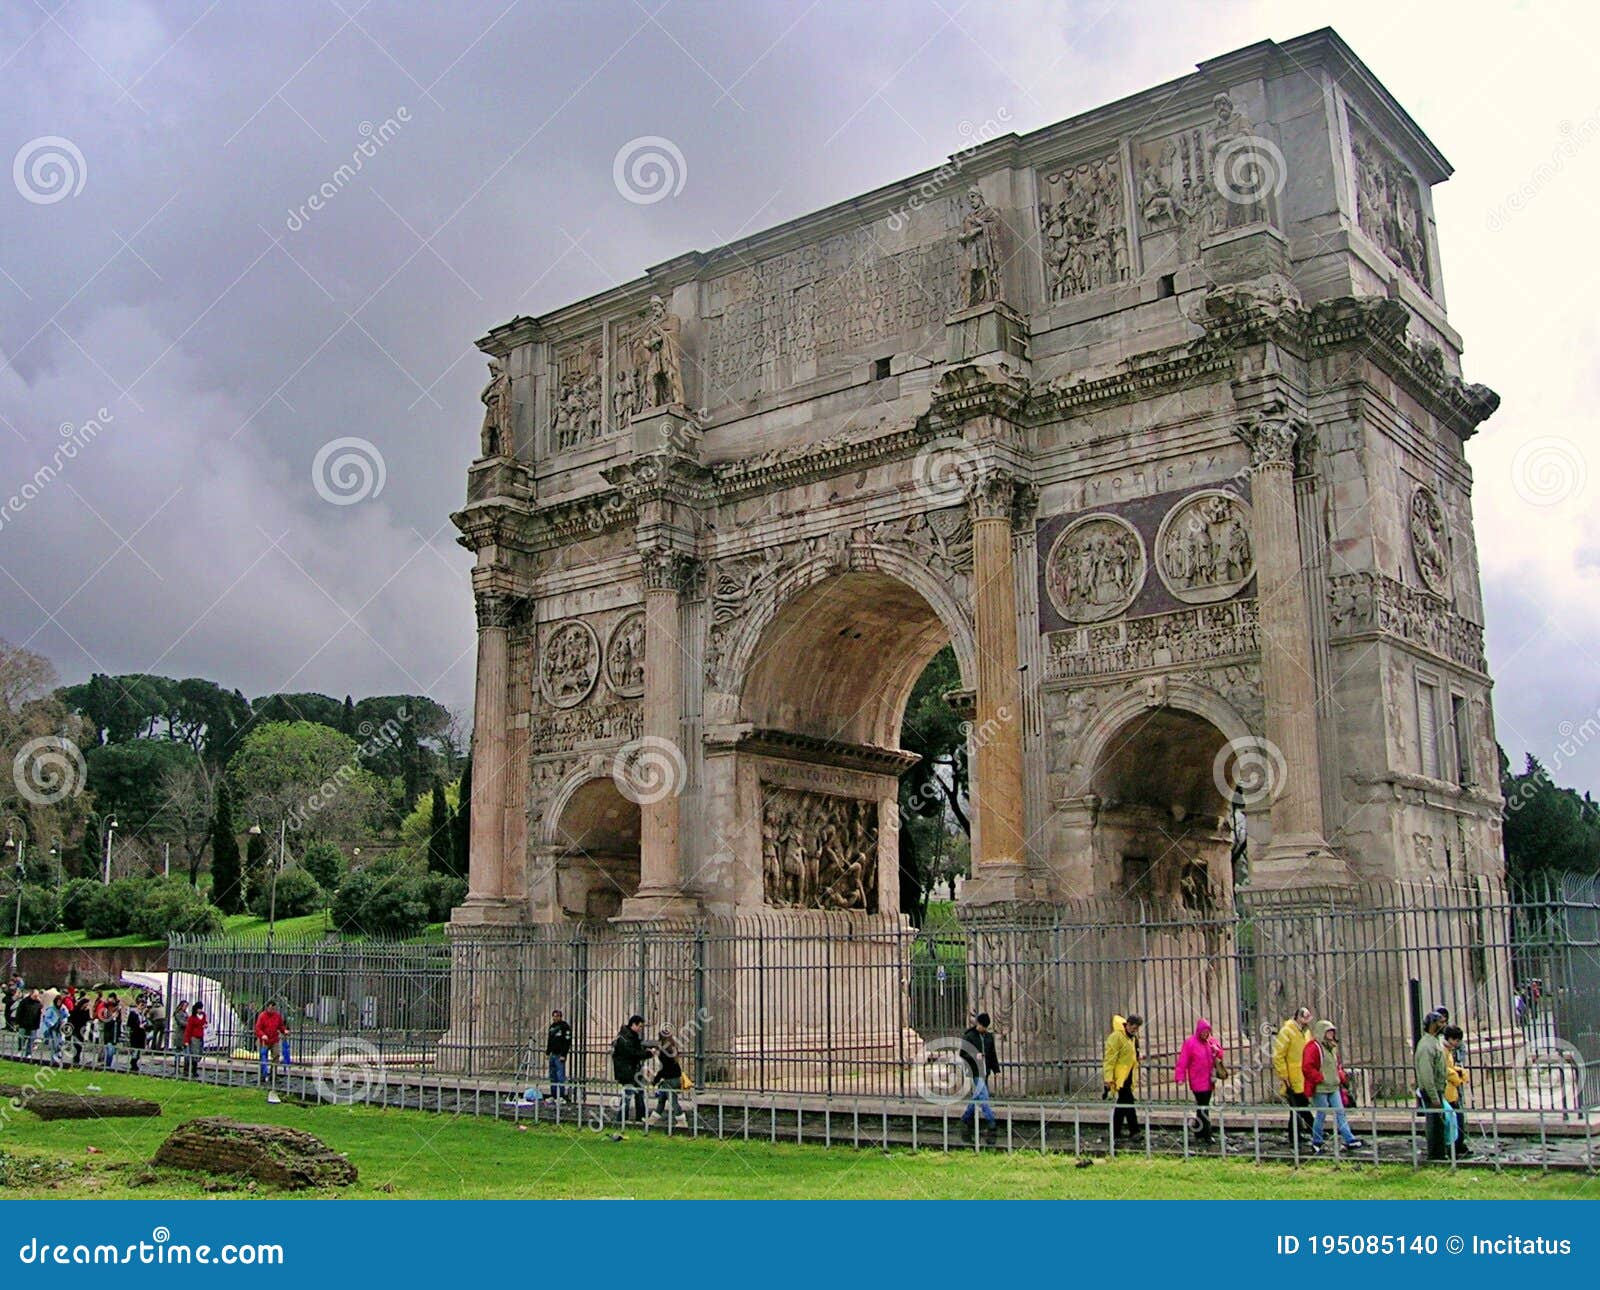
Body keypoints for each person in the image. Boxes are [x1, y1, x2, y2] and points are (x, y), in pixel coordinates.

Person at [1302, 1020, 1363, 1155]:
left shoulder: (1332, 1046)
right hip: (1321, 1088)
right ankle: (1316, 1142)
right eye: (1328, 1031)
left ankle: (1349, 1138)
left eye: (1332, 1032)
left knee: (1340, 1112)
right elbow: (1307, 1067)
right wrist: (1320, 1078)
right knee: (1321, 1114)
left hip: (1333, 1086)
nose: (1331, 1034)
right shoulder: (1313, 1047)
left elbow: (1336, 1065)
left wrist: (1340, 1078)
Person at [1174, 1017, 1225, 1145]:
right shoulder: (1190, 1043)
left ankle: (1198, 1130)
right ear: (1198, 1031)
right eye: (1203, 1032)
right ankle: (1207, 1134)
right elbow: (1183, 1061)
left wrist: (1216, 1051)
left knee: (1202, 1106)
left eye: (1207, 1032)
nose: (1205, 1034)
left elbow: (1220, 1054)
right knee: (1204, 1107)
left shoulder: (1211, 1041)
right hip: (1197, 1079)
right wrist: (1180, 1077)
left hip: (1209, 1079)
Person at [1272, 1007, 1314, 1145]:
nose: (1306, 1022)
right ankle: (1314, 1131)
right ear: (1298, 1017)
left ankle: (1296, 1136)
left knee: (1297, 1109)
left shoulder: (1306, 1032)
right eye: (1304, 1018)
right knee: (1300, 1106)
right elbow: (1278, 1056)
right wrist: (1284, 1075)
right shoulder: (1287, 1031)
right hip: (1292, 1077)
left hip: (1304, 1076)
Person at [959, 1012, 1001, 1145]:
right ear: (978, 1024)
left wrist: (996, 1070)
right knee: (984, 1096)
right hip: (975, 1070)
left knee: (977, 1096)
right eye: (982, 1026)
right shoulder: (969, 1036)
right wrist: (974, 1055)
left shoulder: (988, 1037)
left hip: (985, 1070)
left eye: (985, 1027)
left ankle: (966, 1118)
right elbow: (962, 1053)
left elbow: (992, 1054)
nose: (983, 1029)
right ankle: (991, 1122)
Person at [1414, 1010, 1449, 1161]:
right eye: (1441, 1022)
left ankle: (1439, 1154)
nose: (1444, 1025)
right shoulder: (1426, 1046)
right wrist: (1434, 1096)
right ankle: (1436, 1155)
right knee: (1434, 1124)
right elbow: (1427, 1075)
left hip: (1438, 1089)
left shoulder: (1435, 1041)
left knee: (1439, 1123)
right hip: (1431, 1091)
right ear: (1433, 1024)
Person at [1103, 1013, 1142, 1141]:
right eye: (1133, 1027)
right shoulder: (1116, 1037)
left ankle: (1115, 1131)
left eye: (1136, 1028)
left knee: (1122, 1104)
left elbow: (1132, 1055)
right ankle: (1134, 1131)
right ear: (1127, 1024)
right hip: (1120, 1077)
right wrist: (1108, 1079)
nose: (1134, 1030)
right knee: (1128, 1102)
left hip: (1129, 1075)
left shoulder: (1132, 1038)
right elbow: (1109, 1059)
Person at [611, 1015, 654, 1123]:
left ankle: (641, 1117)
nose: (640, 1029)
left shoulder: (630, 1036)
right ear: (633, 1024)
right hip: (627, 1071)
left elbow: (636, 1049)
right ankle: (621, 1119)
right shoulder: (625, 1038)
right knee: (628, 1095)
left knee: (639, 1093)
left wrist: (645, 1050)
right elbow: (632, 1053)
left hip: (633, 1069)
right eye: (639, 1026)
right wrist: (648, 1053)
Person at [649, 1027, 688, 1129]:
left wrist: (655, 1080)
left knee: (673, 1101)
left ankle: (681, 1121)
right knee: (662, 1099)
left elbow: (663, 1069)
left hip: (669, 1080)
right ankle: (652, 1120)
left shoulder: (664, 1051)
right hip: (676, 1078)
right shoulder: (673, 1048)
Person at [1443, 1024, 1471, 1157]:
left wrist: (1458, 1071)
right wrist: (1457, 1076)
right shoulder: (1443, 1050)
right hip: (1448, 1090)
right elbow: (1444, 1069)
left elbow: (1450, 1067)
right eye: (1456, 1040)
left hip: (1451, 1090)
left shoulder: (1448, 1050)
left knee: (1457, 1118)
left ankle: (1458, 1145)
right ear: (1450, 1038)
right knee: (1454, 1119)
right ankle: (1454, 1146)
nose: (1458, 1043)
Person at [255, 1001, 289, 1085]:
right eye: (271, 1008)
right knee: (263, 1057)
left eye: (274, 1008)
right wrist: (262, 1035)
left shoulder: (277, 1016)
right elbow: (258, 1028)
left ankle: (273, 1075)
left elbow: (280, 1026)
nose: (272, 1010)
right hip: (264, 1040)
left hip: (274, 1039)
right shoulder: (262, 1016)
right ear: (267, 1008)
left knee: (276, 1056)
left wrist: (284, 1030)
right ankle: (262, 1075)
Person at [545, 1009, 572, 1102]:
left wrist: (564, 1054)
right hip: (553, 1054)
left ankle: (561, 1096)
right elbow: (549, 1040)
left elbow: (567, 1042)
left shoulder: (565, 1027)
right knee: (552, 1076)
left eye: (557, 1016)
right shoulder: (552, 1027)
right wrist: (548, 1052)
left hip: (560, 1054)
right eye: (554, 1016)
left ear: (560, 1017)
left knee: (560, 1076)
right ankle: (553, 1095)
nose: (555, 1018)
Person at [182, 1002, 208, 1079]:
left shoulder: (203, 1016)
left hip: (201, 1036)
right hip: (194, 1037)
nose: (200, 1010)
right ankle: (193, 1070)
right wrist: (186, 1040)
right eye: (199, 1008)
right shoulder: (192, 1018)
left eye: (201, 1008)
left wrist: (205, 1025)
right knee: (194, 1054)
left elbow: (204, 1022)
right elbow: (188, 1029)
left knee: (199, 1053)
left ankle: (193, 1069)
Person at [40, 994, 67, 1066]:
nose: (59, 1003)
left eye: (60, 1002)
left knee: (61, 1042)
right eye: (58, 1001)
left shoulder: (63, 1008)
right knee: (54, 1043)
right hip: (53, 1028)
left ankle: (58, 1056)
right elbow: (46, 1018)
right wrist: (51, 1024)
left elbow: (66, 1016)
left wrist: (64, 1022)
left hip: (60, 1027)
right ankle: (53, 1060)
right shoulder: (51, 1008)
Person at [14, 990, 41, 1057]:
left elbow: (39, 1015)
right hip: (23, 1024)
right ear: (31, 994)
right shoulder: (24, 1002)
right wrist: (17, 1022)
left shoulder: (38, 1003)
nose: (36, 997)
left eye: (37, 996)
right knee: (21, 1038)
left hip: (33, 1025)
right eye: (35, 996)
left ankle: (29, 1053)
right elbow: (19, 1012)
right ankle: (20, 1050)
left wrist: (37, 1025)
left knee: (31, 1040)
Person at [100, 993, 122, 1070]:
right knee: (107, 1047)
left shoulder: (117, 1008)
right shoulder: (106, 1007)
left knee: (111, 1048)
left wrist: (114, 1016)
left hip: (114, 1031)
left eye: (111, 998)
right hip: (107, 1029)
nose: (109, 1000)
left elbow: (118, 1020)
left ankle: (108, 1064)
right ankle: (106, 1063)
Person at [126, 997, 147, 1073]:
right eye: (141, 1005)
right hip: (135, 1034)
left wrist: (144, 1024)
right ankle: (133, 1063)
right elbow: (130, 1024)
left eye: (143, 1006)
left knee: (139, 1050)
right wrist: (138, 1025)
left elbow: (145, 1022)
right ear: (138, 1005)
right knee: (135, 1050)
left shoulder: (143, 1014)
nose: (142, 1007)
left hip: (141, 1034)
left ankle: (134, 1062)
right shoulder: (133, 1013)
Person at [68, 993, 91, 1066]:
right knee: (76, 1044)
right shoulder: (76, 1010)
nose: (87, 1006)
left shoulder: (86, 1011)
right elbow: (71, 1019)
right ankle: (75, 1058)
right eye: (86, 1004)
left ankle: (77, 1058)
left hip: (82, 1030)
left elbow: (87, 1019)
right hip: (75, 1029)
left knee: (80, 1045)